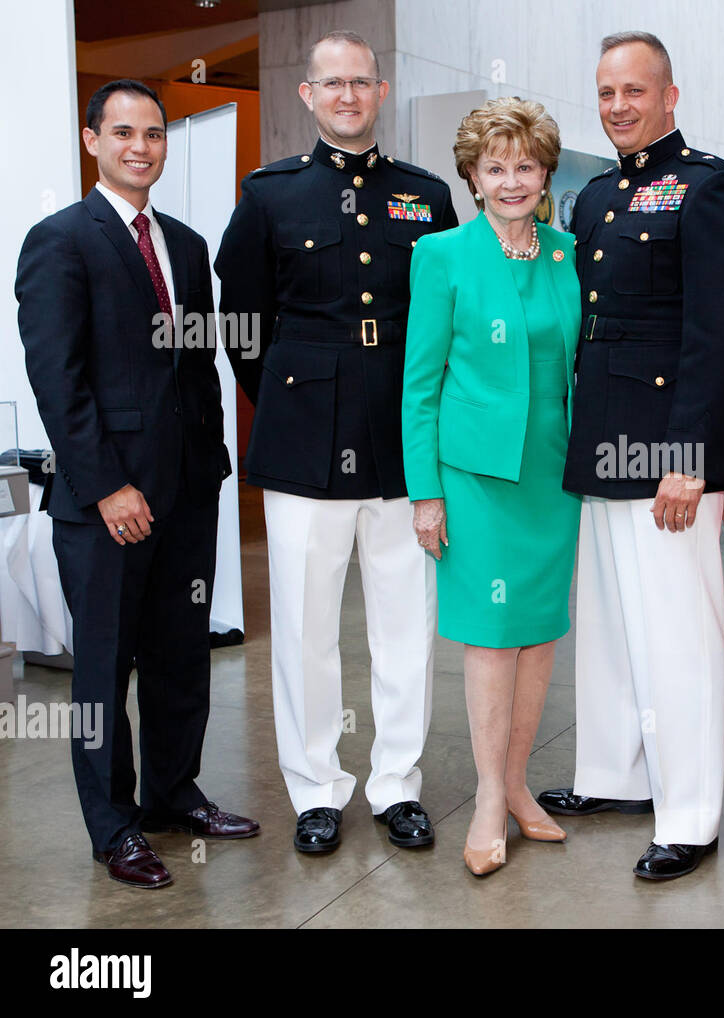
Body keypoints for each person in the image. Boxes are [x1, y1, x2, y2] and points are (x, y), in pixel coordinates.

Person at [215, 30, 457, 854]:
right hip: (302, 444)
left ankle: (396, 784)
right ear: (307, 95)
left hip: (400, 444)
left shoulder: (424, 195)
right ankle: (316, 788)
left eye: (362, 82)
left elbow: (447, 319)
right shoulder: (270, 194)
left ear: (380, 92)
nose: (348, 96)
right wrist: (289, 397)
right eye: (332, 84)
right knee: (305, 626)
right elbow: (245, 326)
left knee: (405, 624)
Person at [15, 79, 258, 889]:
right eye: (122, 133)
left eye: (153, 134)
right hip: (108, 504)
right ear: (92, 141)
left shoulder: (186, 246)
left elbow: (196, 369)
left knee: (180, 654)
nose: (140, 148)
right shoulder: (60, 240)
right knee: (104, 667)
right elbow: (59, 382)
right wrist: (108, 486)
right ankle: (112, 826)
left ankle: (172, 794)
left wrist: (210, 470)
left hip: (187, 493)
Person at [537, 30, 724, 880]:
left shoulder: (708, 187)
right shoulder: (594, 196)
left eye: (634, 90)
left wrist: (691, 454)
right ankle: (613, 775)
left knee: (677, 635)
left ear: (670, 96)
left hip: (668, 452)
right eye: (605, 93)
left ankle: (691, 814)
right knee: (608, 624)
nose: (618, 106)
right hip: (599, 444)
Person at [403, 97, 579, 877]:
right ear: (472, 177)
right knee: (488, 638)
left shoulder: (570, 253)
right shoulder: (441, 255)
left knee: (538, 632)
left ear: (545, 174)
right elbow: (420, 385)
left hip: (552, 475)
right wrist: (425, 491)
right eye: (496, 167)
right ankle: (484, 796)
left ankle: (517, 784)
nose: (512, 181)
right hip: (474, 479)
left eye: (526, 166)